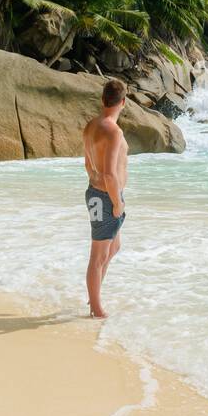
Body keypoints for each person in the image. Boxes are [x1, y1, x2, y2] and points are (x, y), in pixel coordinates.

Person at [82, 79, 129, 318]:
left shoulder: (91, 126)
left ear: (103, 100)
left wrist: (99, 185)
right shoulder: (113, 130)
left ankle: (95, 296)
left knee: (114, 247)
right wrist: (117, 202)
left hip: (100, 193)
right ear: (123, 102)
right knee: (98, 255)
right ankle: (96, 308)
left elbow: (88, 165)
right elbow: (110, 173)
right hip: (107, 197)